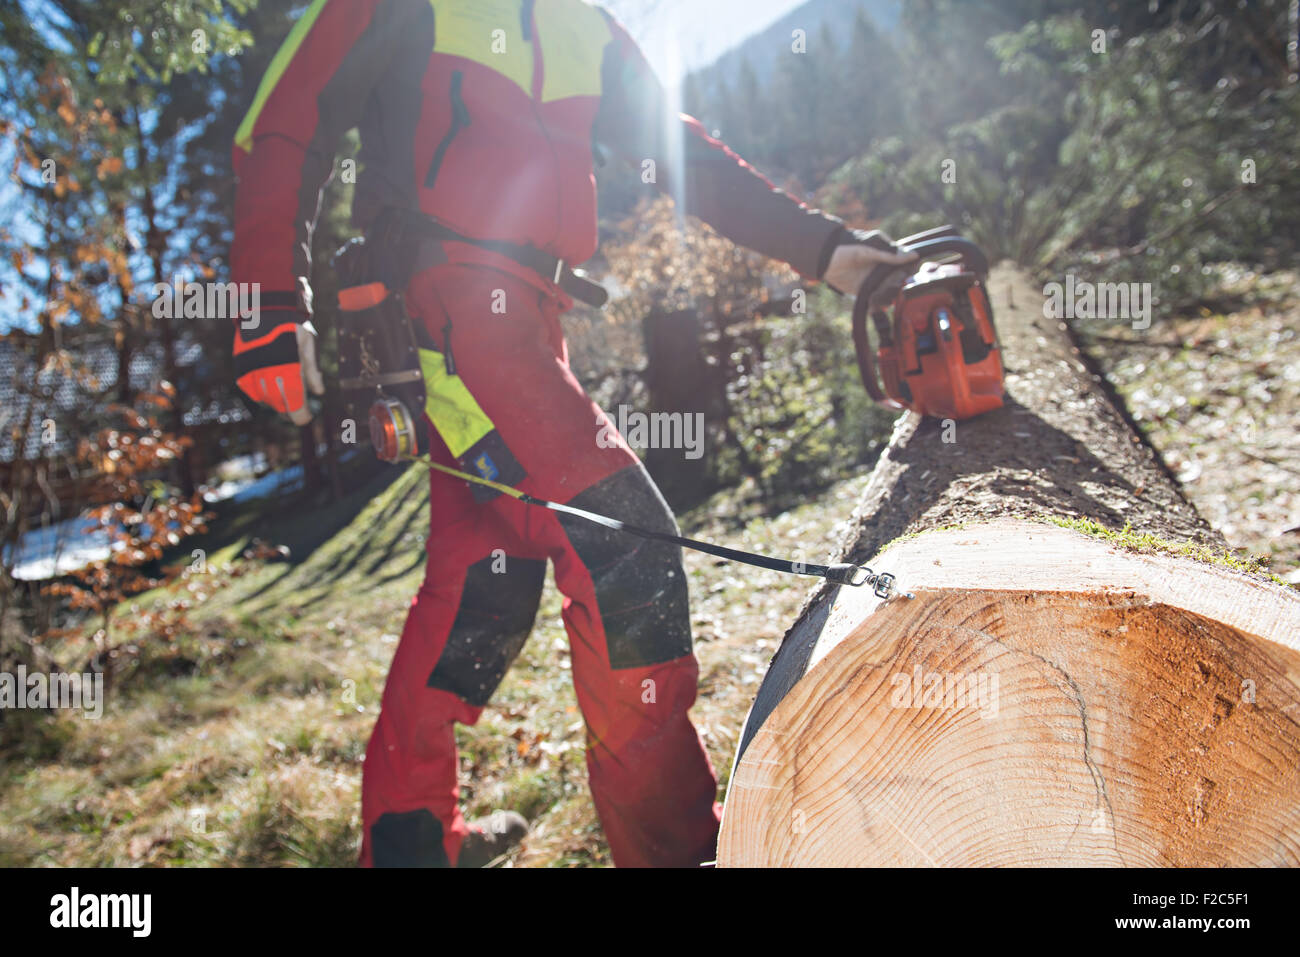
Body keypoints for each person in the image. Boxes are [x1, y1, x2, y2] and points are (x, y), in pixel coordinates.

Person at [229, 0, 914, 868]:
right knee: (626, 545)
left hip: (532, 317)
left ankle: (407, 845)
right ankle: (673, 850)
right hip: (446, 303)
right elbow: (287, 114)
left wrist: (826, 251)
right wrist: (264, 304)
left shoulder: (586, 27)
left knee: (485, 580)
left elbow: (684, 152)